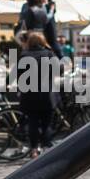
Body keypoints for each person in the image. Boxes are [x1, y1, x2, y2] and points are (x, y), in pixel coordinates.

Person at [16, 30, 57, 158]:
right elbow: (58, 70)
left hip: (30, 96)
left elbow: (19, 75)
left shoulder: (24, 55)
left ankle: (34, 149)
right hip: (46, 95)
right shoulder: (49, 54)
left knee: (32, 123)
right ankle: (46, 148)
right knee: (46, 124)